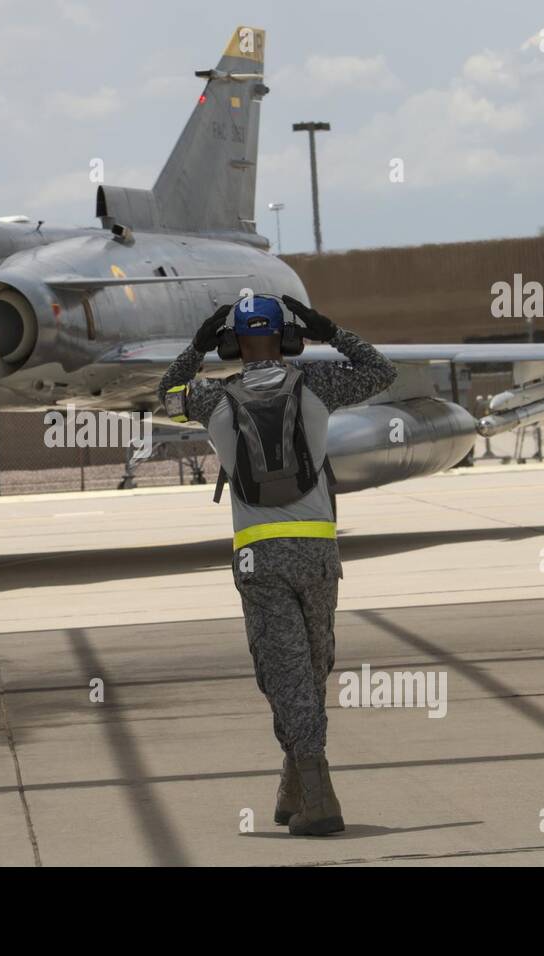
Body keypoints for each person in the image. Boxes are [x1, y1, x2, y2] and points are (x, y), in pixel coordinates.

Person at [158, 293, 396, 835]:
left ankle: (320, 802)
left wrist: (196, 347)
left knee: (286, 675)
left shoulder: (210, 398)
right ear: (289, 339)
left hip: (259, 555)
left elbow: (165, 393)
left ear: (232, 344)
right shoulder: (317, 385)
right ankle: (296, 789)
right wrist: (327, 328)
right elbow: (381, 370)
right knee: (311, 670)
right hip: (317, 550)